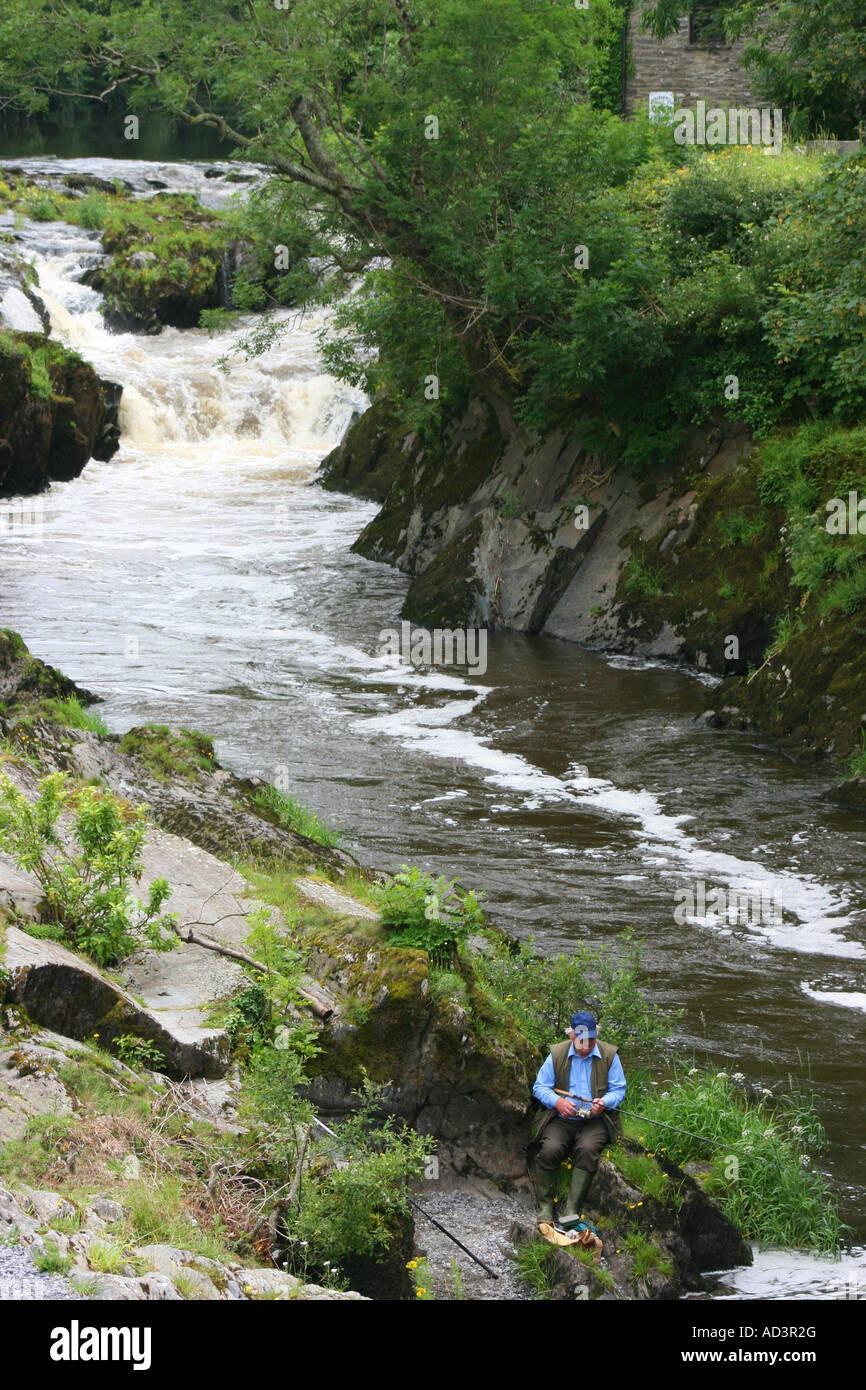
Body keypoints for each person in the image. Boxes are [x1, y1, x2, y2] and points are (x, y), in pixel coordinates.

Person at [531, 1010, 626, 1229]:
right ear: (572, 1036)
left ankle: (571, 1210)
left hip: (595, 1121)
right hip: (562, 1118)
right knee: (550, 1149)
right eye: (582, 1040)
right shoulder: (556, 1054)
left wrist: (605, 1102)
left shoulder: (610, 1055)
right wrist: (558, 1102)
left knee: (587, 1149)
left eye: (591, 1039)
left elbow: (619, 1089)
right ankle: (546, 1206)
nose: (587, 1045)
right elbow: (540, 1087)